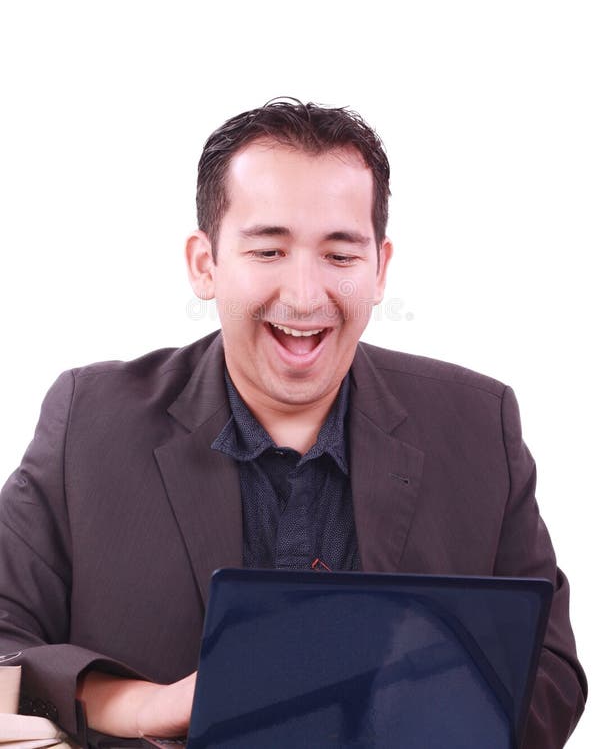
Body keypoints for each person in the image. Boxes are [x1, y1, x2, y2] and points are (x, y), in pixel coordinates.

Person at [0, 100, 586, 747]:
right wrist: (142, 705)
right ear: (204, 263)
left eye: (340, 255)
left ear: (380, 268)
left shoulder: (479, 424)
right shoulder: (90, 422)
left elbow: (551, 672)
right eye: (268, 250)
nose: (305, 296)